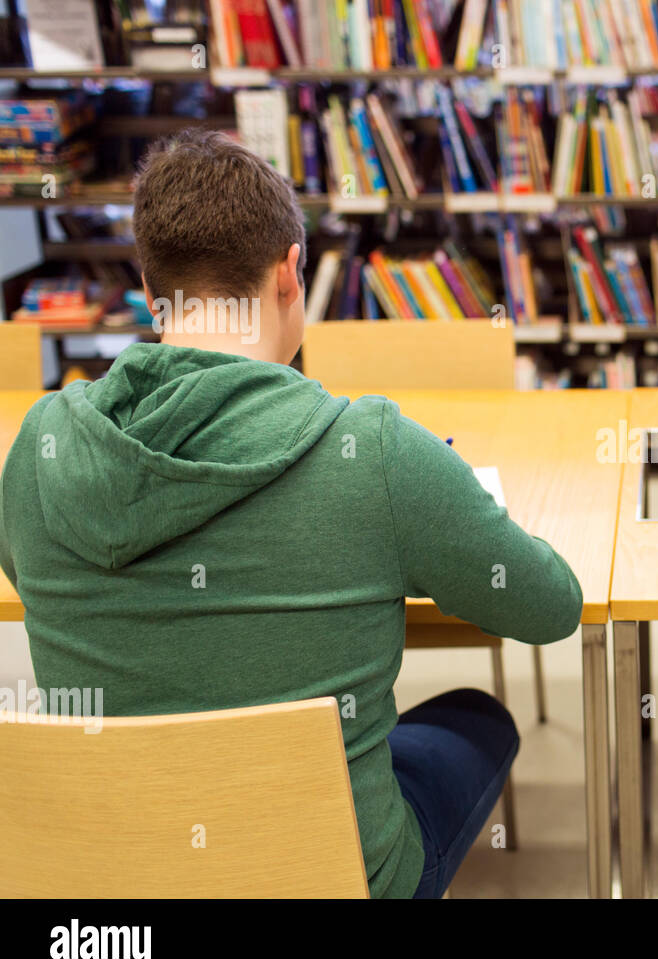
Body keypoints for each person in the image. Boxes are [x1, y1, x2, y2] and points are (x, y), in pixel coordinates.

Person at [0, 130, 584, 898]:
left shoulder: (42, 446)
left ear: (150, 285)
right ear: (289, 270)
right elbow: (552, 606)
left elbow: (24, 568)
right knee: (476, 716)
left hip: (122, 880)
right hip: (339, 876)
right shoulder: (374, 451)